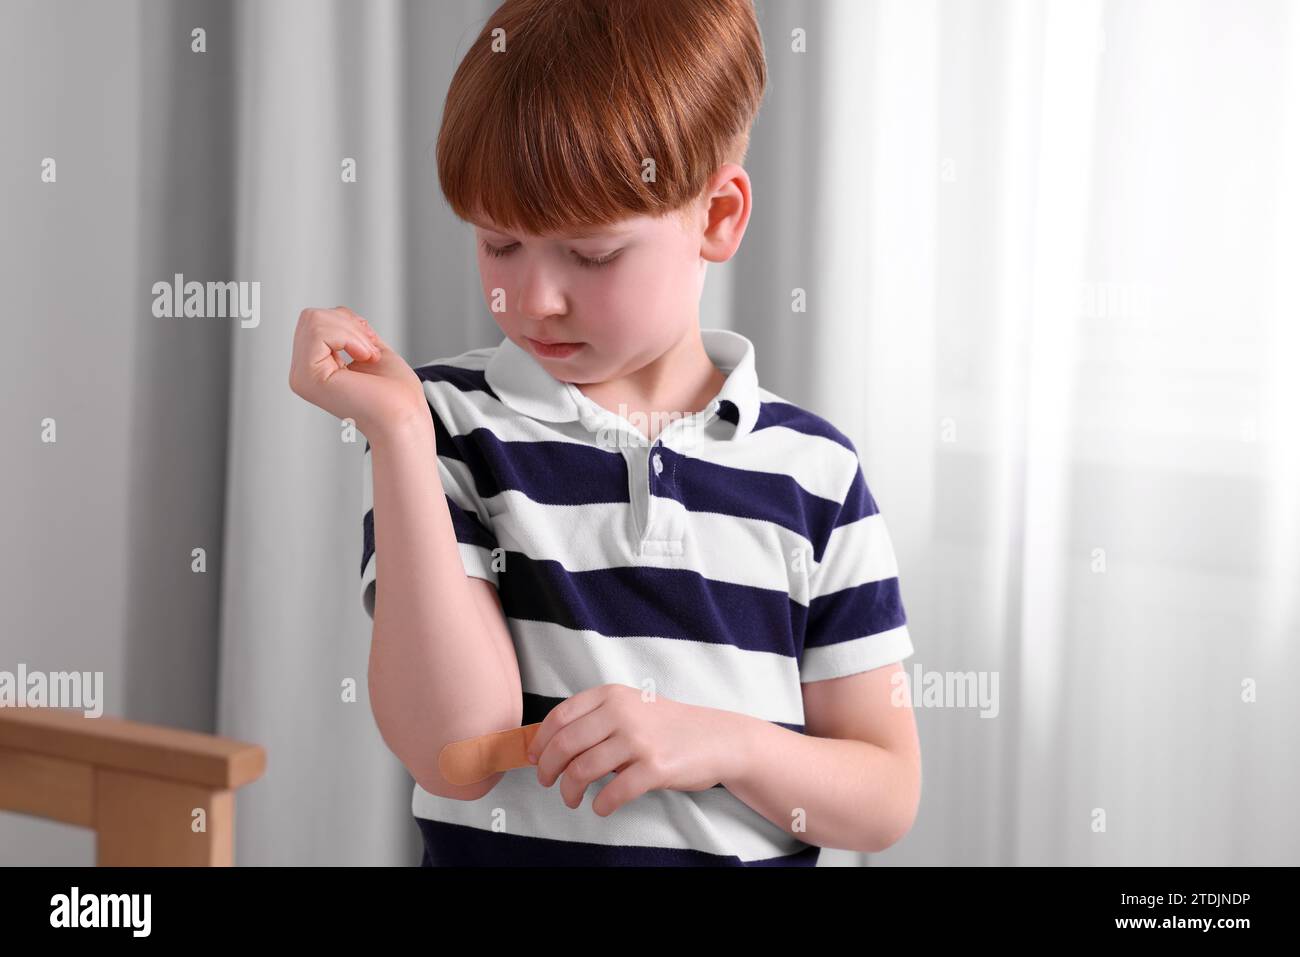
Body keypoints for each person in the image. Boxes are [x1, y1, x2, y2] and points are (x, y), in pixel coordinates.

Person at [288, 0, 920, 866]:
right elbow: (456, 749)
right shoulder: (445, 427)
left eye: (590, 255)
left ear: (718, 217)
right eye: (500, 243)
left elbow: (883, 796)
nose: (535, 298)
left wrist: (721, 742)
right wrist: (398, 433)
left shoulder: (815, 476)